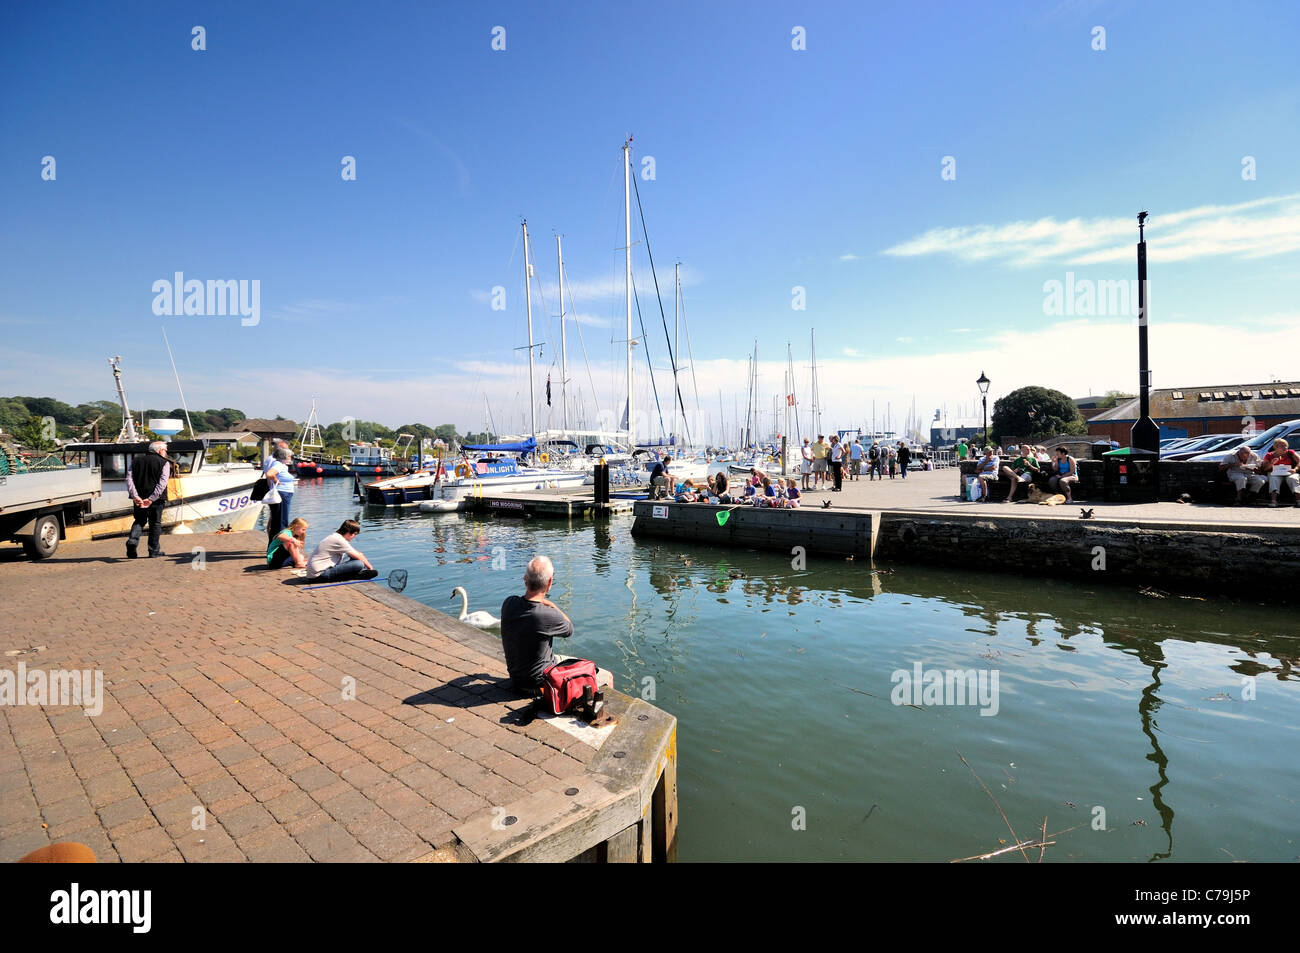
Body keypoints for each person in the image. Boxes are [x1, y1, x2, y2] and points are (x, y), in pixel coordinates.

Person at [500, 556, 574, 695]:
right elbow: (569, 629)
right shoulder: (548, 614)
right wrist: (551, 604)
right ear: (550, 582)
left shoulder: (509, 603)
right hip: (539, 684)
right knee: (605, 676)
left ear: (525, 579)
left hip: (516, 679)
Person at [125, 440, 170, 558]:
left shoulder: (135, 461)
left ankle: (133, 542)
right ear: (160, 450)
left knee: (139, 520)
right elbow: (162, 483)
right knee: (155, 523)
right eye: (165, 450)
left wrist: (135, 496)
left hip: (139, 499)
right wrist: (151, 498)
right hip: (156, 500)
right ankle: (153, 550)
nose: (166, 452)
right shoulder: (164, 463)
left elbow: (129, 480)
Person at [306, 519, 378, 581]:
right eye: (354, 534)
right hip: (319, 575)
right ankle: (355, 575)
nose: (354, 537)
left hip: (314, 572)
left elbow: (357, 553)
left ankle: (359, 572)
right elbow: (359, 555)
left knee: (352, 557)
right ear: (349, 533)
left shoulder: (336, 536)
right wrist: (370, 567)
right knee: (359, 564)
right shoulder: (339, 540)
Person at [1260, 438, 1300, 507]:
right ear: (1276, 447)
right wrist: (1271, 463)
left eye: (1285, 445)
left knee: (1293, 478)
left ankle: (1298, 500)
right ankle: (1273, 501)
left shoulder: (1290, 452)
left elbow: (1299, 461)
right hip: (1275, 473)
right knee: (1273, 479)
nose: (1285, 447)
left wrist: (1295, 469)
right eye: (1282, 446)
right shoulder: (1269, 455)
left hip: (1289, 472)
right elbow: (1265, 468)